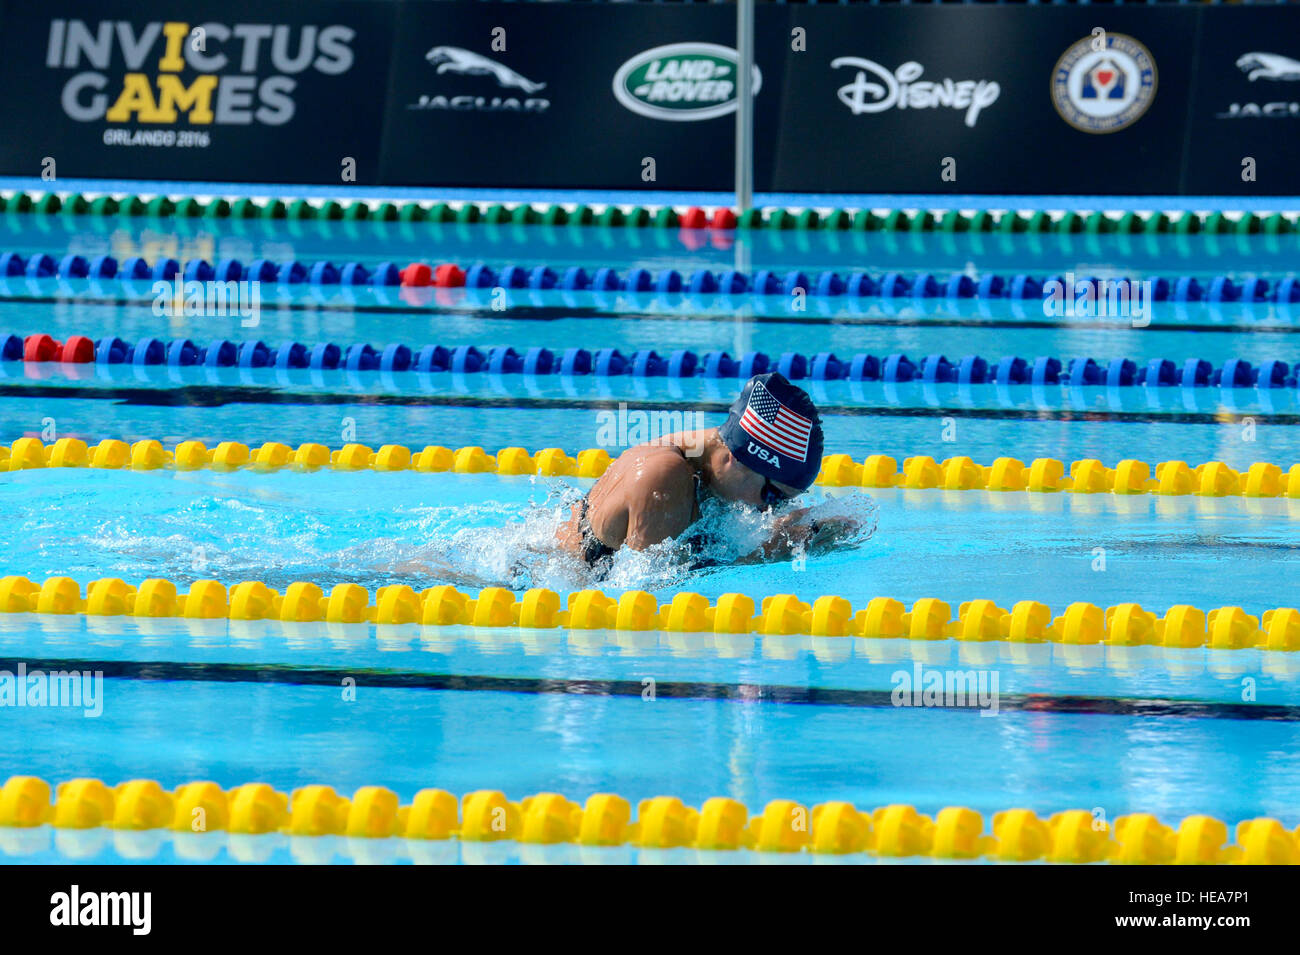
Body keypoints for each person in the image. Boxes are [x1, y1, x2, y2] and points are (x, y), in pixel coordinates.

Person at [556, 372, 858, 573]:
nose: (767, 510)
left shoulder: (708, 468)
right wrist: (773, 549)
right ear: (737, 460)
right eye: (772, 496)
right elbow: (645, 594)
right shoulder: (664, 475)